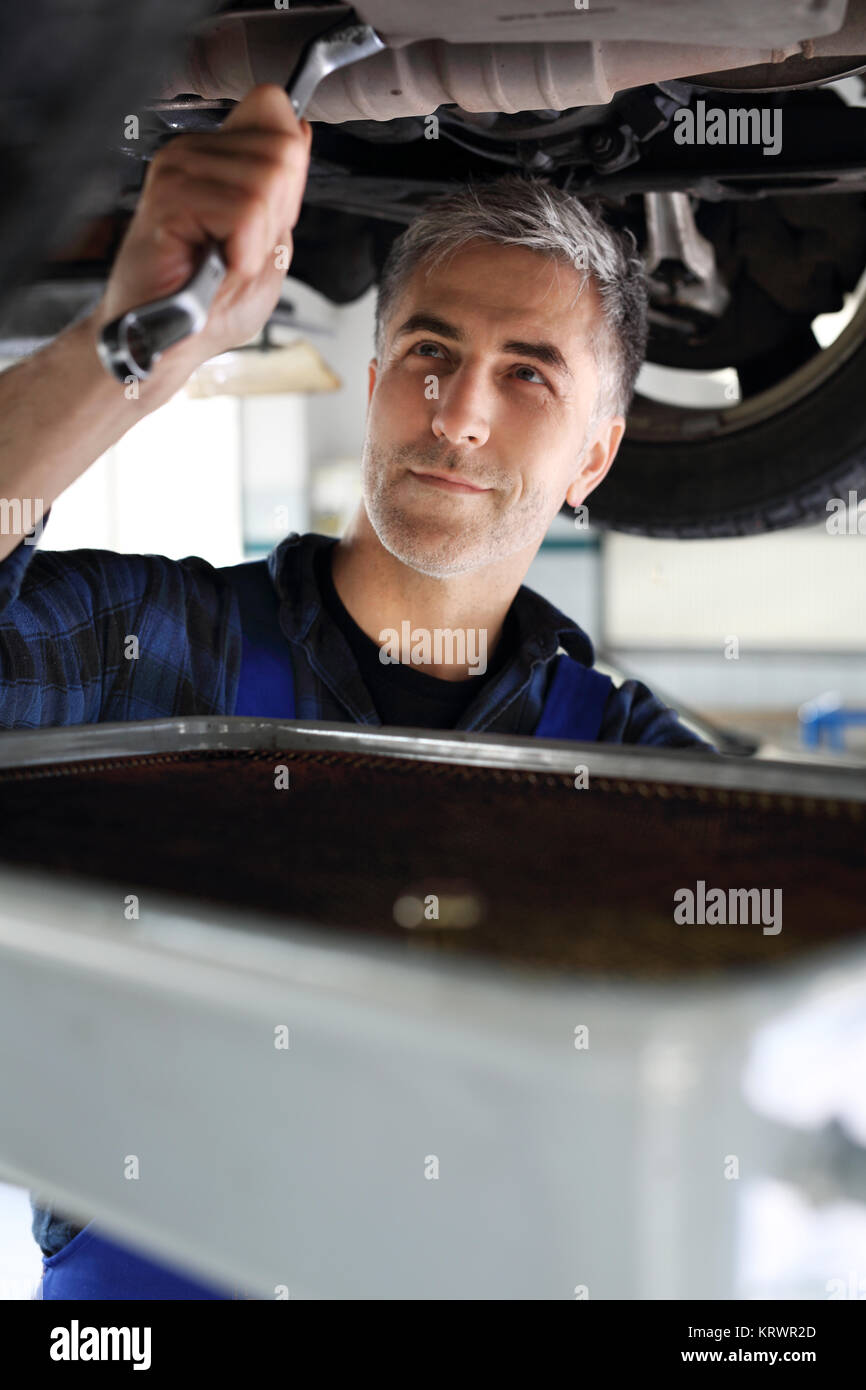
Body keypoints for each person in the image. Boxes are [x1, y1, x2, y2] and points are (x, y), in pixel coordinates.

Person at [0, 83, 714, 1299]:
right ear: (377, 375)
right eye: (429, 354)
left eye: (527, 374)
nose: (458, 415)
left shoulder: (639, 771)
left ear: (596, 454)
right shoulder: (159, 651)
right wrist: (129, 341)